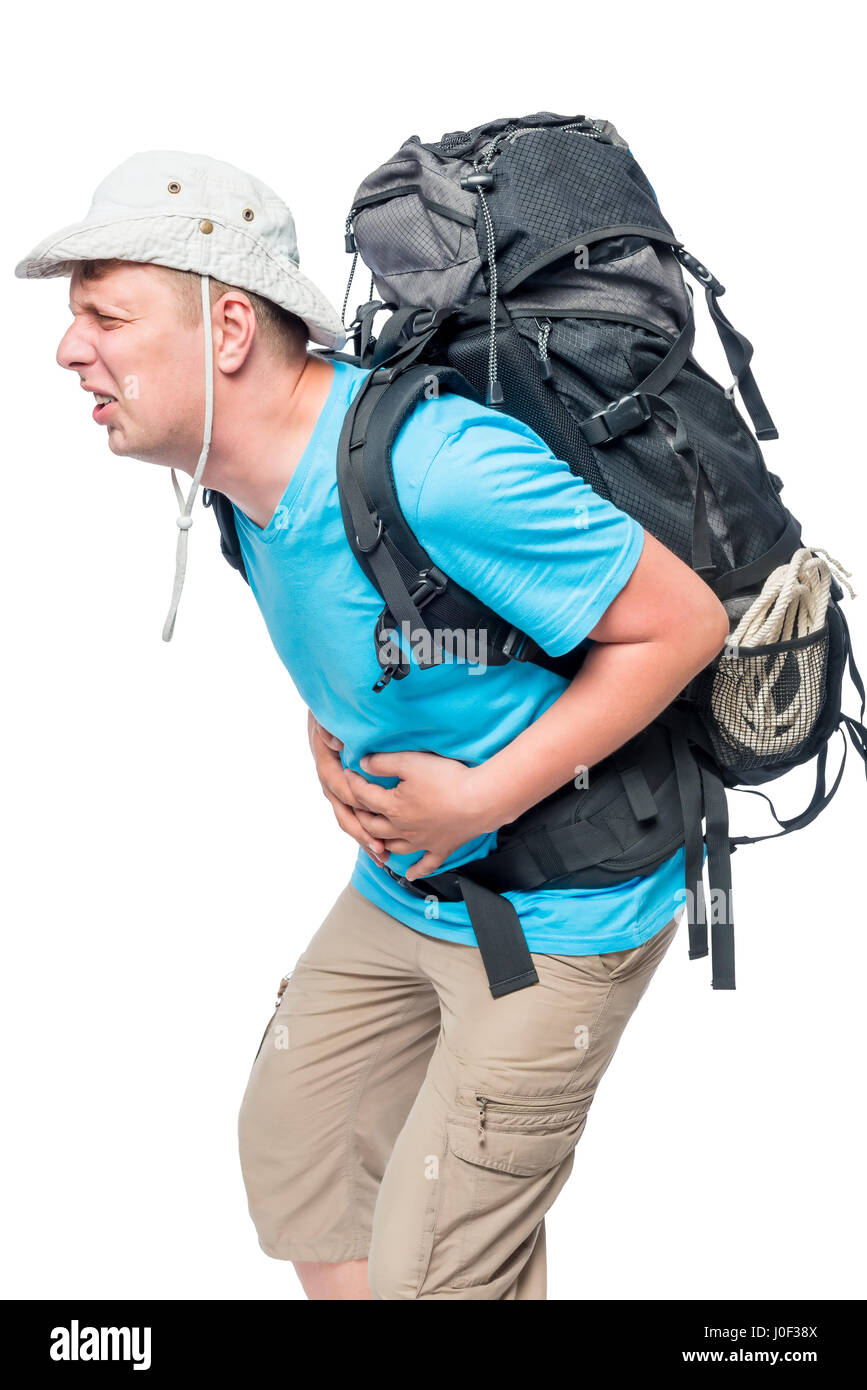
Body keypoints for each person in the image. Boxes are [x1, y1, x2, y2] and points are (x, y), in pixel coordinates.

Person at [15, 149, 729, 1301]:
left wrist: (484, 796)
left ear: (230, 330)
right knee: (300, 1152)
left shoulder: (439, 467)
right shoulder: (237, 478)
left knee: (440, 1271)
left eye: (104, 313)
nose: (68, 347)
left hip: (555, 912)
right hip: (411, 888)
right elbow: (359, 624)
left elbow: (683, 626)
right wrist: (324, 736)